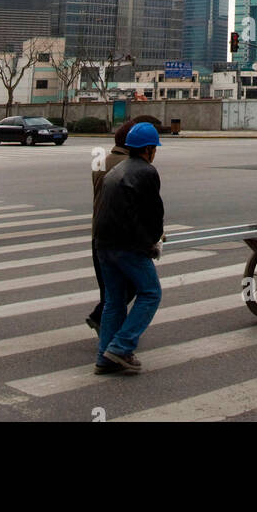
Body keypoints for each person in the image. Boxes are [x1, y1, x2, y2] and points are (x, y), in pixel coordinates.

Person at [92, 121, 164, 374]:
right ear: (148, 149)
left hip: (102, 243)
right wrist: (151, 244)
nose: (155, 152)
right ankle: (121, 347)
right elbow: (153, 214)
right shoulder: (146, 171)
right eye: (154, 147)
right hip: (126, 246)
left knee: (114, 300)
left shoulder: (116, 169)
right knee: (151, 293)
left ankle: (104, 358)